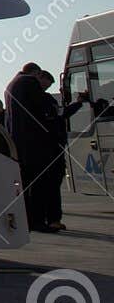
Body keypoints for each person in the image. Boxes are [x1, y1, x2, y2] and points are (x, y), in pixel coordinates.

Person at [5, 63, 62, 232]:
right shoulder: (29, 82)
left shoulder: (12, 84)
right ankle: (38, 221)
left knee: (28, 183)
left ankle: (30, 221)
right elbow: (44, 107)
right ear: (36, 73)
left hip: (20, 142)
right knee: (40, 183)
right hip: (34, 142)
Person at [36, 66, 84, 233]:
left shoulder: (33, 97)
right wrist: (77, 104)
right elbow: (60, 115)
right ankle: (53, 219)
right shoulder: (44, 99)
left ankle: (50, 219)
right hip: (51, 148)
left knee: (50, 185)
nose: (48, 88)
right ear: (41, 79)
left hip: (46, 148)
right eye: (47, 84)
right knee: (53, 184)